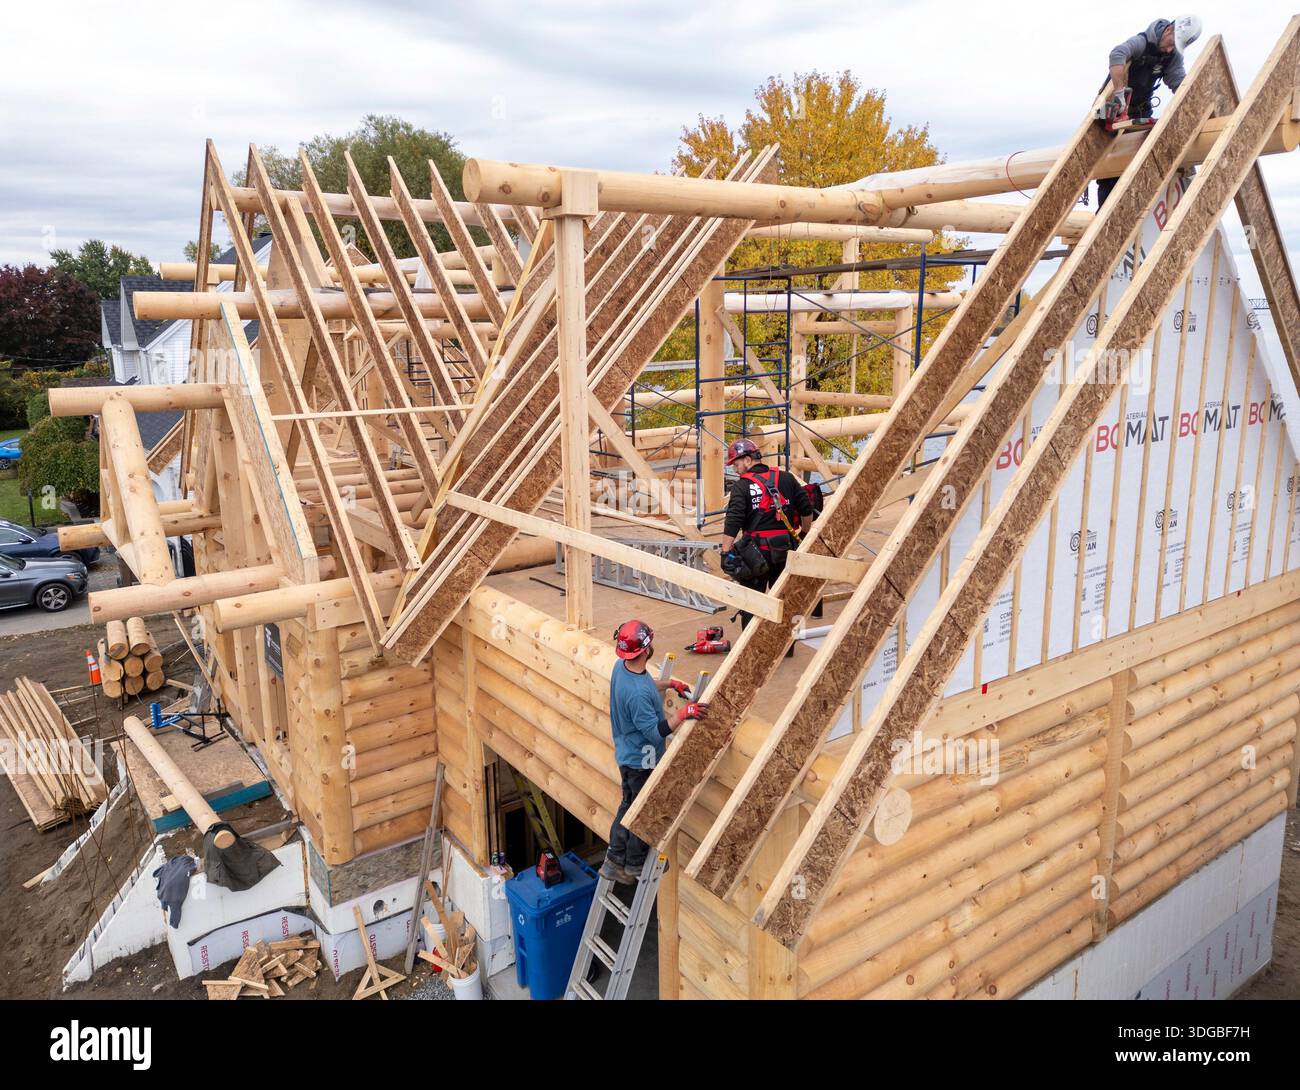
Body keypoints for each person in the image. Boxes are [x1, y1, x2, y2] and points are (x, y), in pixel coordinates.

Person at [601, 619, 707, 883]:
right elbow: (655, 732)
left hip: (628, 754)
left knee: (629, 805)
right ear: (646, 649)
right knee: (643, 811)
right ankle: (635, 865)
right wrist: (685, 712)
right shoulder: (636, 694)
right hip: (642, 759)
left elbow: (645, 686)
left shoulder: (622, 668)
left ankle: (614, 860)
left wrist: (670, 684)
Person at [1095, 16, 1202, 208]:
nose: (1171, 49)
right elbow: (1117, 54)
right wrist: (1119, 93)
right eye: (1171, 43)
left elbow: (1179, 82)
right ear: (1169, 29)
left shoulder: (1172, 55)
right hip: (1112, 109)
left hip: (1140, 110)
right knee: (1110, 169)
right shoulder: (1141, 43)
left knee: (1141, 162)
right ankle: (1104, 216)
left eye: (1175, 47)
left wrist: (1196, 106)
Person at [720, 438, 815, 628]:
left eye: (736, 464)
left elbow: (733, 521)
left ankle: (749, 649)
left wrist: (725, 551)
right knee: (784, 600)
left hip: (756, 554)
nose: (735, 470)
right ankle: (786, 647)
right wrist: (804, 534)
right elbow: (806, 508)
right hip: (785, 549)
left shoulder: (741, 487)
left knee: (752, 602)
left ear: (748, 460)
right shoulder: (786, 478)